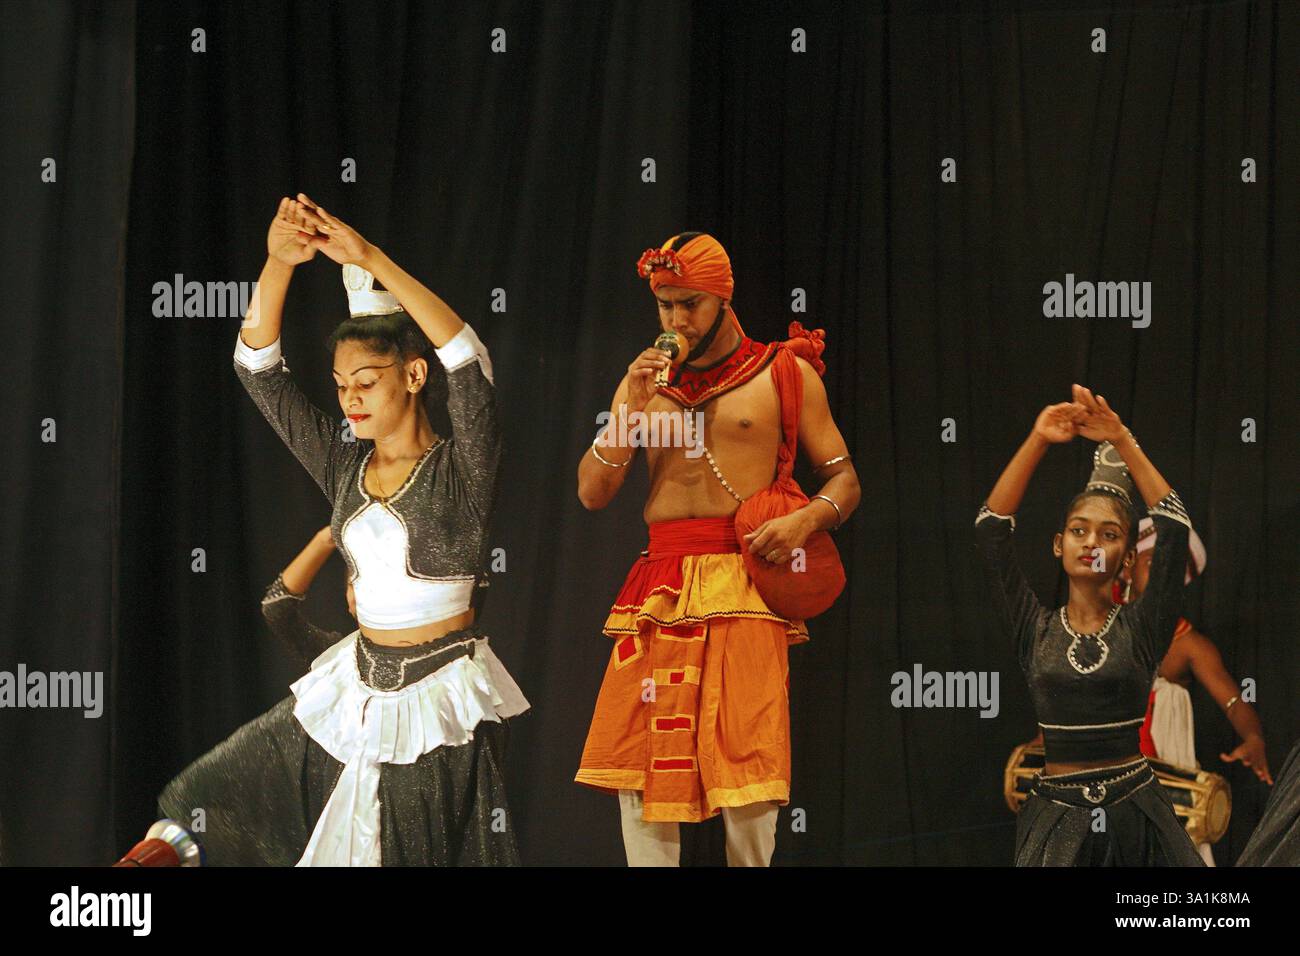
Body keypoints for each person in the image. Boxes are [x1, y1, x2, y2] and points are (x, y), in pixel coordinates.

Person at [156, 195, 529, 866]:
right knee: (203, 796)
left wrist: (371, 259)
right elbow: (258, 373)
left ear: (414, 376)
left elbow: (468, 365)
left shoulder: (461, 472)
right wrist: (277, 264)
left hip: (433, 704)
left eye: (366, 381)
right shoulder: (343, 463)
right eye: (340, 385)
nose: (350, 399)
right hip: (352, 690)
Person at [574, 232, 860, 866]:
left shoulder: (784, 373)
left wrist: (806, 521)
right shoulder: (645, 385)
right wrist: (629, 406)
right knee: (643, 760)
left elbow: (845, 480)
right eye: (665, 305)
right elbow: (593, 493)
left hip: (745, 582)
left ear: (724, 301)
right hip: (661, 584)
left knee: (746, 761)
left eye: (690, 305)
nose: (676, 320)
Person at [976, 387, 1203, 866]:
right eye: (1079, 530)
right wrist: (1038, 439)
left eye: (1110, 534)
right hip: (1055, 816)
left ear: (1125, 559)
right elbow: (991, 527)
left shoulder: (1143, 629)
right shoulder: (1032, 628)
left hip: (1138, 814)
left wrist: (1122, 438)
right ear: (1059, 545)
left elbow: (1175, 527)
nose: (1091, 542)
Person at [1015, 498, 1272, 864]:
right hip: (1090, 785)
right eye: (1156, 564)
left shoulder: (1189, 645)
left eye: (1176, 572)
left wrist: (1253, 737)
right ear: (1128, 566)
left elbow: (1234, 702)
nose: (1168, 576)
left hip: (1155, 786)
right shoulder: (1089, 632)